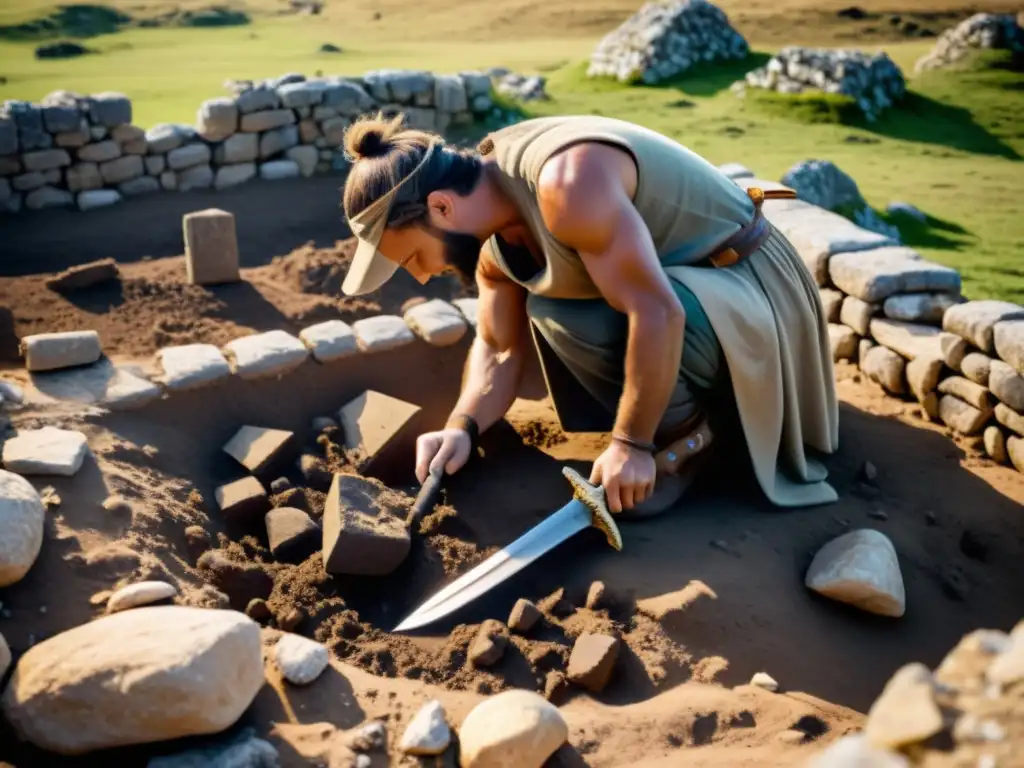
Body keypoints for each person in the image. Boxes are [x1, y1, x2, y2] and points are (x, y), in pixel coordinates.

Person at [339, 111, 840, 516]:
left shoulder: (565, 184)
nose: (423, 276)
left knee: (567, 314)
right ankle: (678, 415)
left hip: (755, 287)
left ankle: (687, 441)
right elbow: (497, 346)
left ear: (441, 208)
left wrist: (631, 444)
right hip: (701, 295)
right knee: (554, 303)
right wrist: (462, 427)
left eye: (411, 258)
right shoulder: (497, 236)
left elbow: (658, 312)